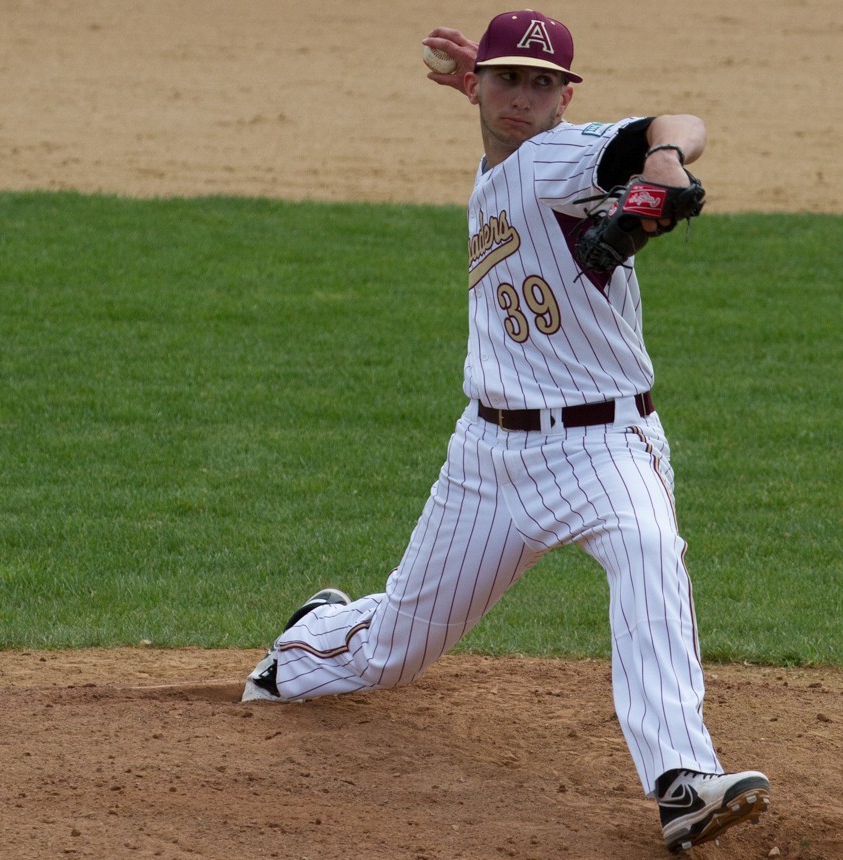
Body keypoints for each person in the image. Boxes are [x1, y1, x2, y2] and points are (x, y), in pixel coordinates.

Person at [242, 10, 770, 853]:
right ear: (476, 85)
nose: (521, 97)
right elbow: (516, 158)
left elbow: (676, 125)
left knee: (648, 549)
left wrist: (663, 160)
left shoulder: (561, 156)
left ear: (567, 98)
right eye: (505, 79)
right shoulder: (500, 169)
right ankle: (304, 647)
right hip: (488, 459)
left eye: (540, 84)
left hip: (606, 447)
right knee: (393, 653)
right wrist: (488, 103)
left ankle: (681, 780)